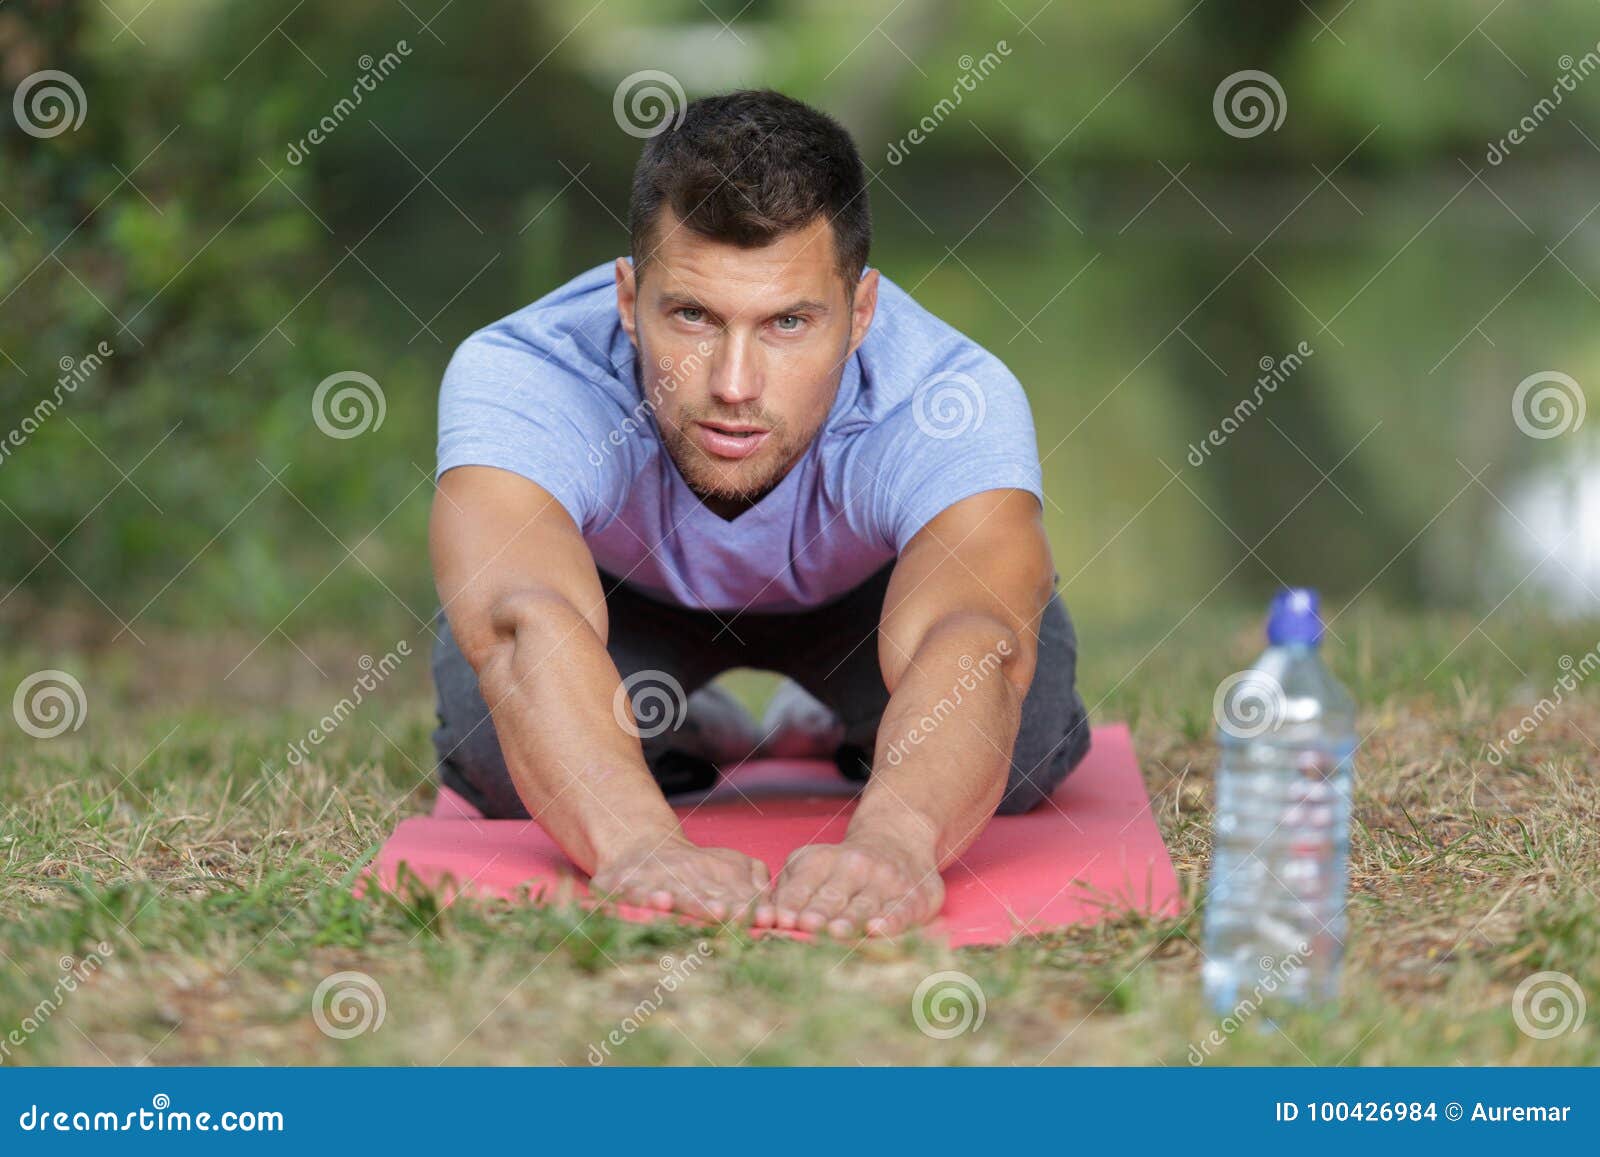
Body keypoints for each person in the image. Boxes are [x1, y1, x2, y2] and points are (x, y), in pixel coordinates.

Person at [429, 88, 1090, 938]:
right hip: (621, 601)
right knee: (496, 747)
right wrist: (635, 843)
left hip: (867, 605)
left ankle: (840, 723)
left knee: (1022, 741)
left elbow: (978, 635)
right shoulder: (523, 371)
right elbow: (522, 617)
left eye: (787, 322)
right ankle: (681, 729)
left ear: (860, 314)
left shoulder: (948, 396)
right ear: (629, 302)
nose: (733, 386)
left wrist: (895, 841)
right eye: (694, 316)